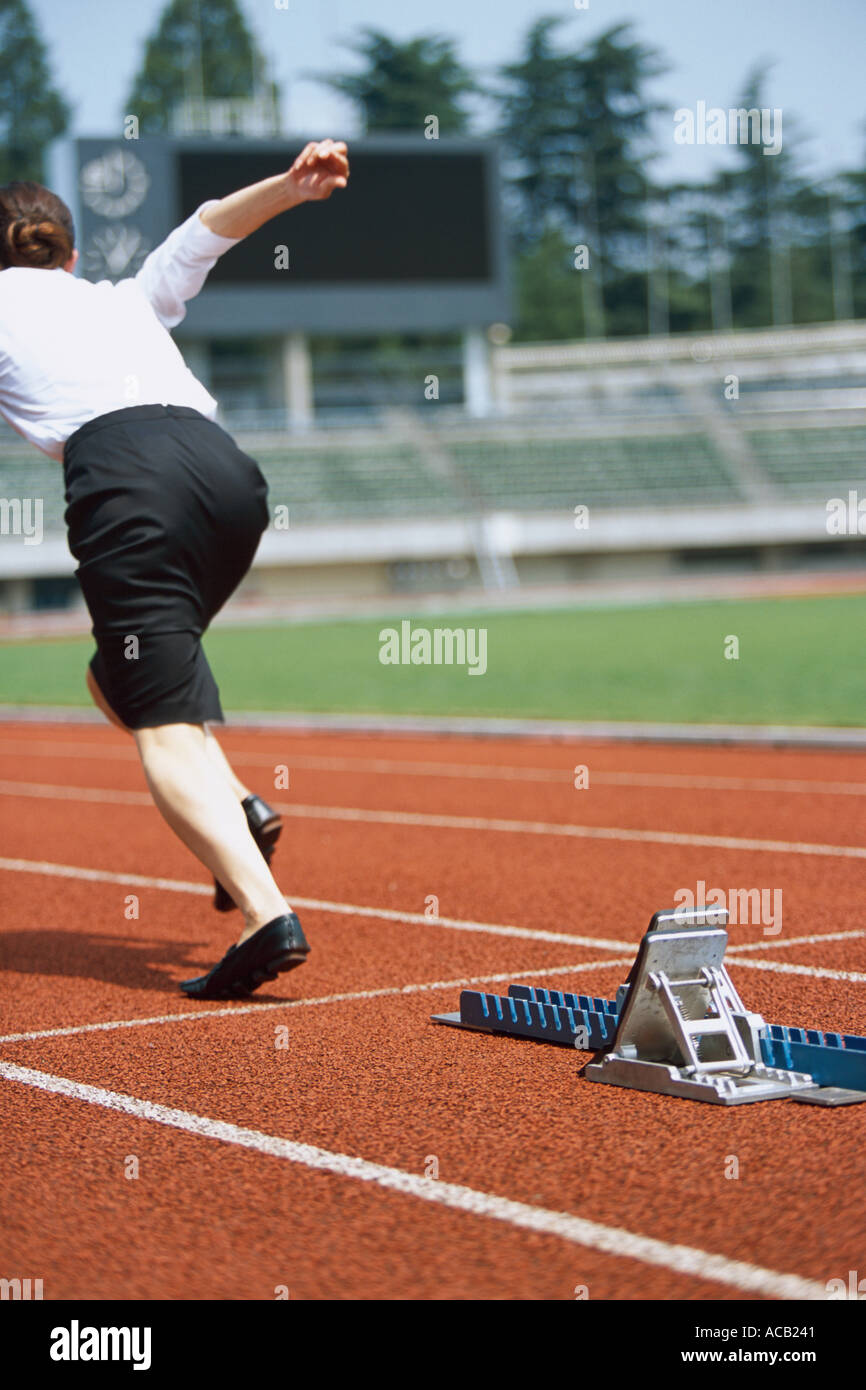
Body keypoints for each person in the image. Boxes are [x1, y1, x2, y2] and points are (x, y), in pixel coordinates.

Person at [0, 139, 350, 1000]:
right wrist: (293, 186)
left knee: (159, 724)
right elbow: (205, 231)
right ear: (71, 256)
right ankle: (240, 805)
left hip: (128, 481)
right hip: (226, 478)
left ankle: (269, 920)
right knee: (113, 678)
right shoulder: (121, 299)